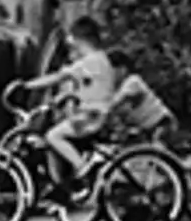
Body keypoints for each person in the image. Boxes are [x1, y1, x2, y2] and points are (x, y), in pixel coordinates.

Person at [20, 16, 118, 198]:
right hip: (95, 114)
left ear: (79, 40)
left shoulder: (89, 62)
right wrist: (66, 96)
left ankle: (83, 168)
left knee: (52, 136)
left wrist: (27, 85)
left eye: (72, 41)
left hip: (90, 118)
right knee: (52, 143)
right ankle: (63, 186)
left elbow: (58, 77)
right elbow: (90, 87)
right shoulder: (101, 60)